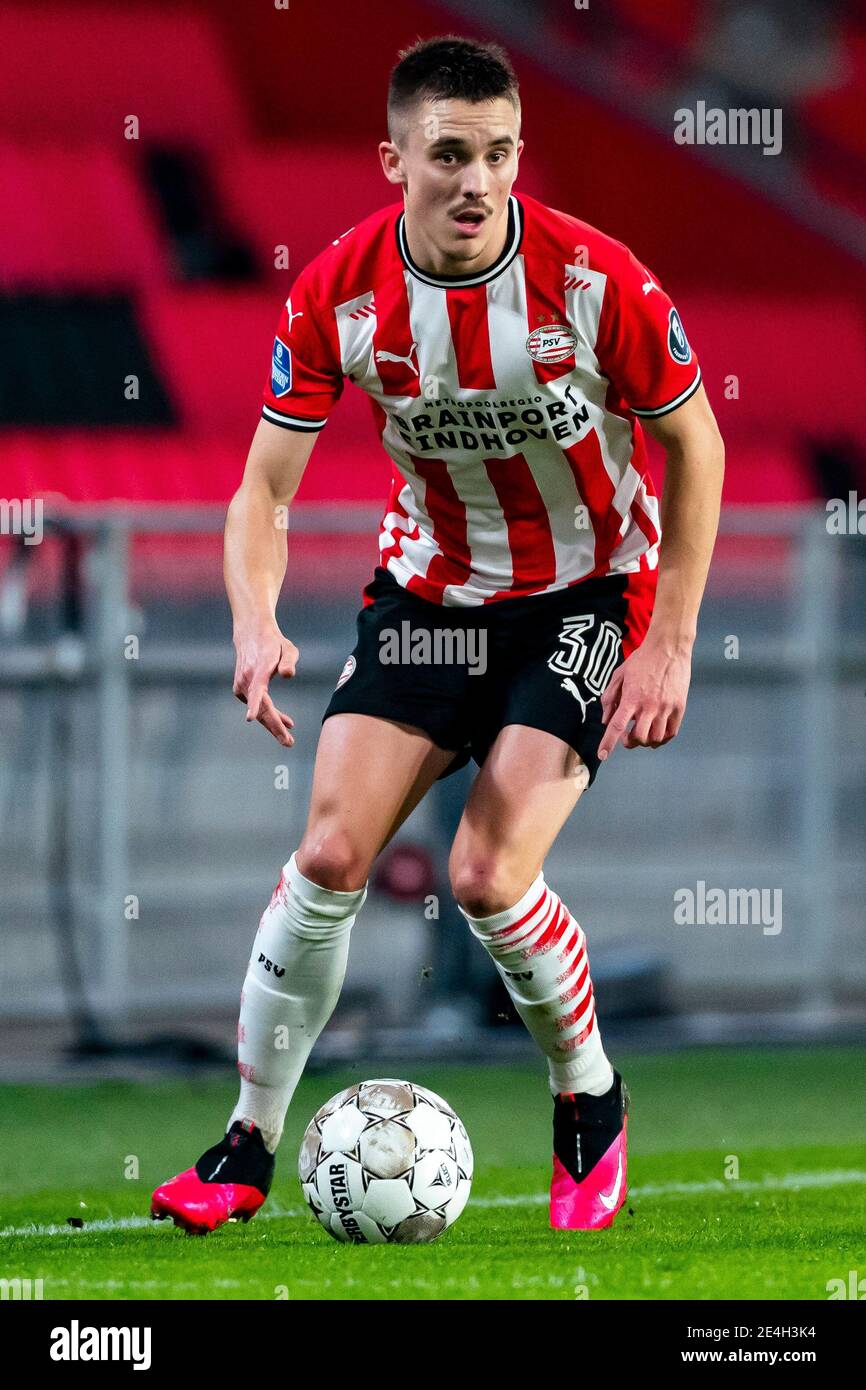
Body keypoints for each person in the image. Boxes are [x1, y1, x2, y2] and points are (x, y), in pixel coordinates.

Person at [152, 35, 724, 1237]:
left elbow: (692, 446)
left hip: (583, 596)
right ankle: (247, 1143)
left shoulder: (593, 280)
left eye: (500, 154)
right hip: (428, 602)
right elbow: (263, 490)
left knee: (482, 875)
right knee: (324, 861)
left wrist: (668, 640)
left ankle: (588, 1100)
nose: (478, 181)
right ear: (393, 160)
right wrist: (253, 622)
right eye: (451, 155)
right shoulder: (339, 295)